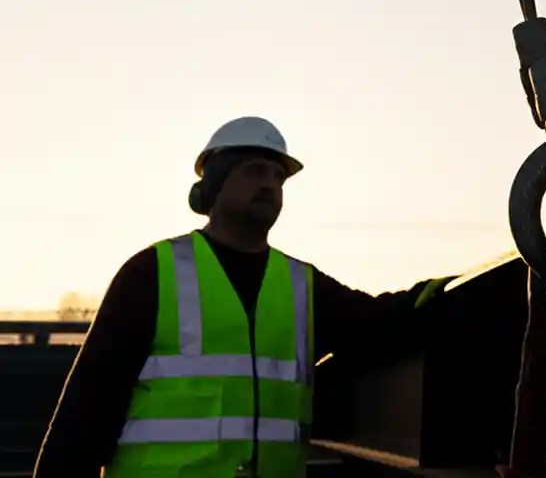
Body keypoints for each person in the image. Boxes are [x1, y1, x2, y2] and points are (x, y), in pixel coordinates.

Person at [33, 116, 455, 477]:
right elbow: (85, 415)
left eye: (278, 177)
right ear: (215, 184)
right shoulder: (151, 274)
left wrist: (451, 289)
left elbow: (381, 322)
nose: (270, 184)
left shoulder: (303, 286)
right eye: (255, 170)